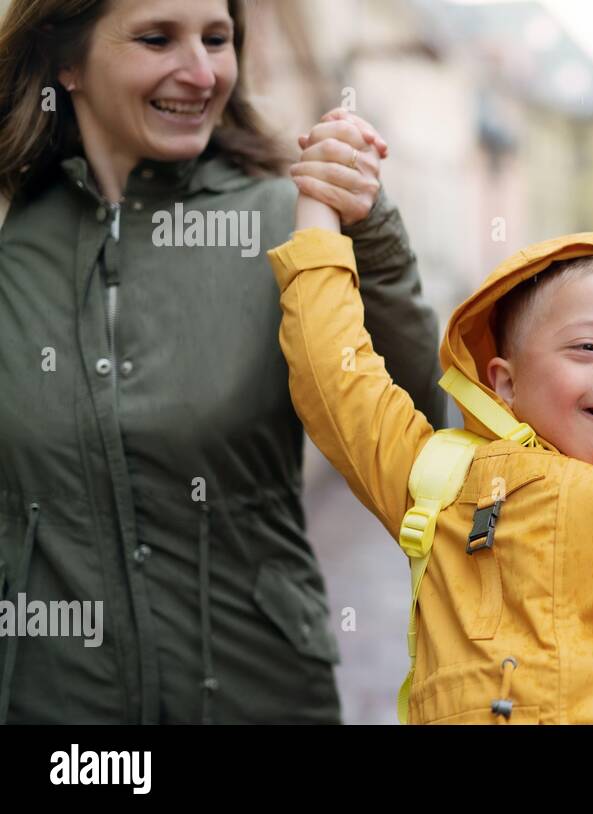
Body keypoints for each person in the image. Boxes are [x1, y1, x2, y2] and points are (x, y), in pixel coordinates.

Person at [0, 0, 442, 723]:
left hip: (260, 700)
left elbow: (421, 435)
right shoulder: (11, 244)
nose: (202, 73)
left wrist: (374, 241)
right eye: (156, 38)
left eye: (218, 38)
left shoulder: (288, 220)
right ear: (65, 61)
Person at [267, 128, 593, 723]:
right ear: (506, 383)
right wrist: (318, 208)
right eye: (588, 346)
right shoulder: (446, 489)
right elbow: (334, 379)